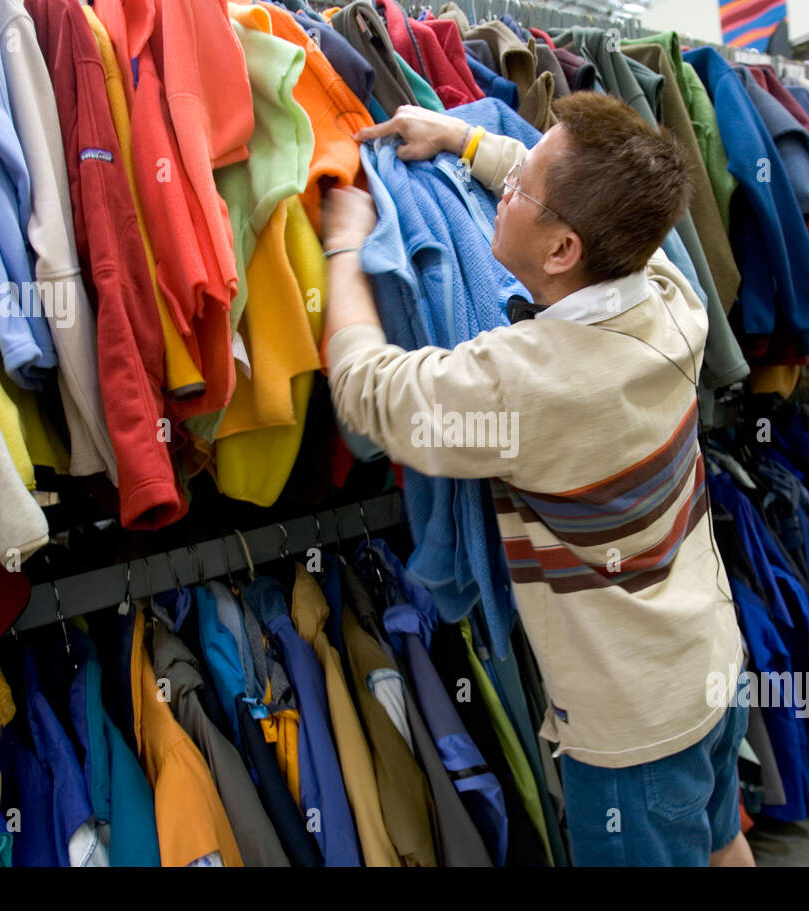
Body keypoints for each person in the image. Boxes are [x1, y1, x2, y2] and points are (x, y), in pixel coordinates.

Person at [320, 92, 754, 867]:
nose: (508, 182)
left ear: (562, 251)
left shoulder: (529, 384)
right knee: (722, 847)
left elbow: (369, 389)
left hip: (632, 738)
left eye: (524, 189)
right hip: (710, 663)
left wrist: (345, 248)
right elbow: (562, 196)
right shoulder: (667, 294)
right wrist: (462, 139)